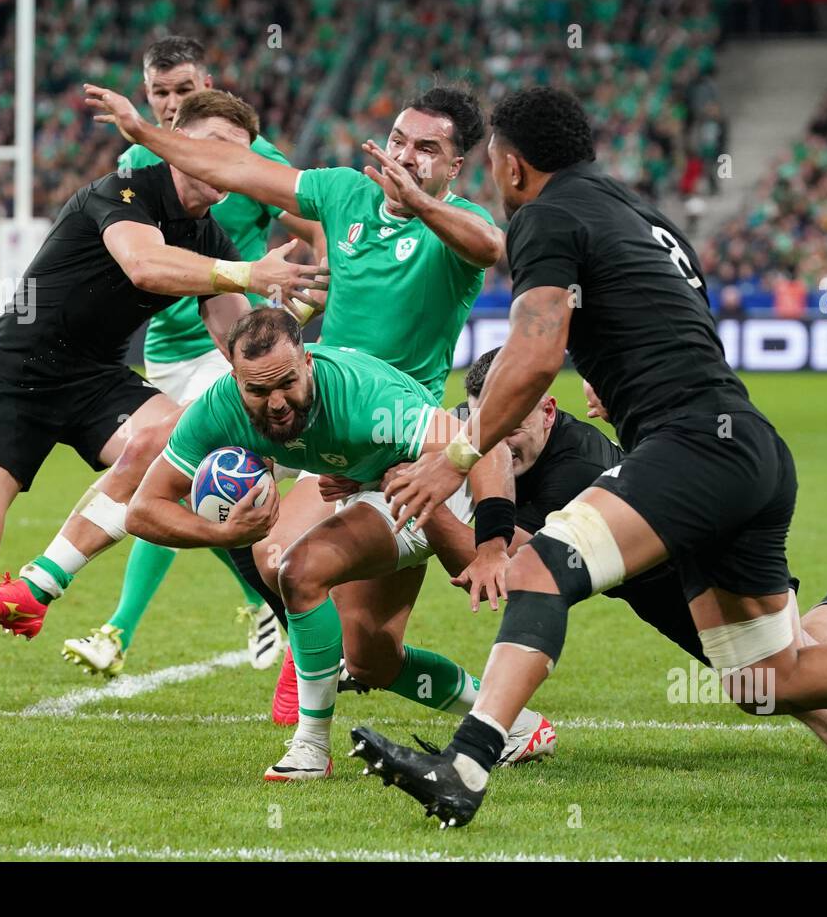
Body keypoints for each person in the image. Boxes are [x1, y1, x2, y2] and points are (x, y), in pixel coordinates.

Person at [350, 88, 827, 826]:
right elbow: (667, 322)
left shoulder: (542, 216)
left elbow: (533, 352)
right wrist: (623, 386)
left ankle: (465, 765)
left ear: (512, 166)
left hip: (692, 446)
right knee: (765, 678)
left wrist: (455, 454)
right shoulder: (645, 214)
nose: (493, 178)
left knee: (539, 568)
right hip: (745, 447)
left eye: (489, 163)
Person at [0, 92, 325, 709]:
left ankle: (285, 628)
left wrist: (297, 314)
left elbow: (240, 345)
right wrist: (251, 274)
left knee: (184, 446)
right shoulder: (122, 191)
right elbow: (144, 265)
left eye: (240, 156)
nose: (230, 167)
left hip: (97, 379)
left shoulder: (211, 235)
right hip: (15, 380)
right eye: (217, 149)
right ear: (177, 142)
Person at [82, 79, 505, 724]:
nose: (405, 157)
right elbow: (238, 168)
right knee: (306, 585)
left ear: (455, 166)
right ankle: (486, 718)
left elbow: (492, 250)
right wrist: (144, 135)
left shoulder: (462, 226)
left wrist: (420, 203)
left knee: (369, 645)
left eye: (426, 149)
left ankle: (351, 698)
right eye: (398, 141)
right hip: (327, 423)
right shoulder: (342, 192)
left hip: (405, 440)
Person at [396, 348, 827, 791]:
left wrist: (431, 504)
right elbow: (445, 447)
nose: (500, 441)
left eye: (512, 426)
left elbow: (521, 569)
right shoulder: (484, 432)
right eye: (488, 426)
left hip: (704, 568)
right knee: (786, 674)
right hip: (660, 581)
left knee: (787, 681)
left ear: (548, 410)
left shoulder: (577, 466)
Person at [125, 308, 553, 780]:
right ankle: (517, 723)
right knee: (372, 660)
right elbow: (142, 509)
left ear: (307, 362)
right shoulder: (218, 407)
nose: (276, 403)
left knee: (298, 569)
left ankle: (310, 748)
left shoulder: (368, 401)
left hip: (422, 481)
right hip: (366, 481)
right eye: (258, 390)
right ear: (234, 378)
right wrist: (222, 534)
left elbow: (484, 445)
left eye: (287, 382)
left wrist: (492, 545)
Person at [62, 36, 326, 678]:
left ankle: (117, 629)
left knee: (175, 471)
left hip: (229, 342)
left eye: (184, 90)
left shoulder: (257, 159)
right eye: (160, 94)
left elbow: (316, 236)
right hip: (165, 344)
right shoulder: (137, 161)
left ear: (208, 84)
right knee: (190, 480)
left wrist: (294, 318)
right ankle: (266, 603)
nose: (172, 105)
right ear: (147, 97)